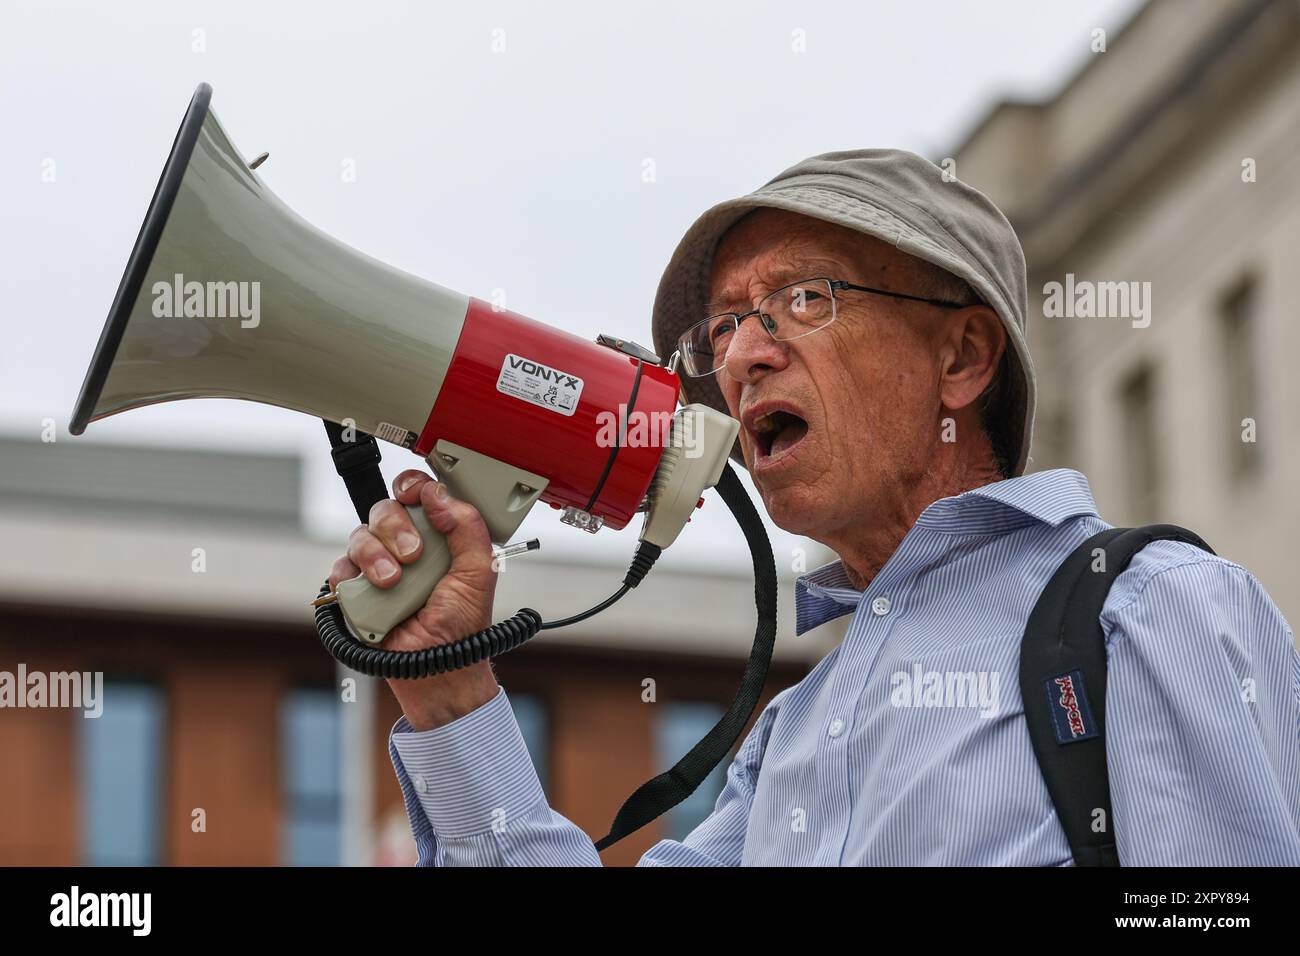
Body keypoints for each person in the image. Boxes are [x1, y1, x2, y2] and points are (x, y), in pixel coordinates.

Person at [328, 150, 1300, 865]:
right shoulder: (793, 735)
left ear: (960, 359)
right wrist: (448, 691)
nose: (742, 357)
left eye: (801, 299)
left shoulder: (1153, 609)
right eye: (723, 328)